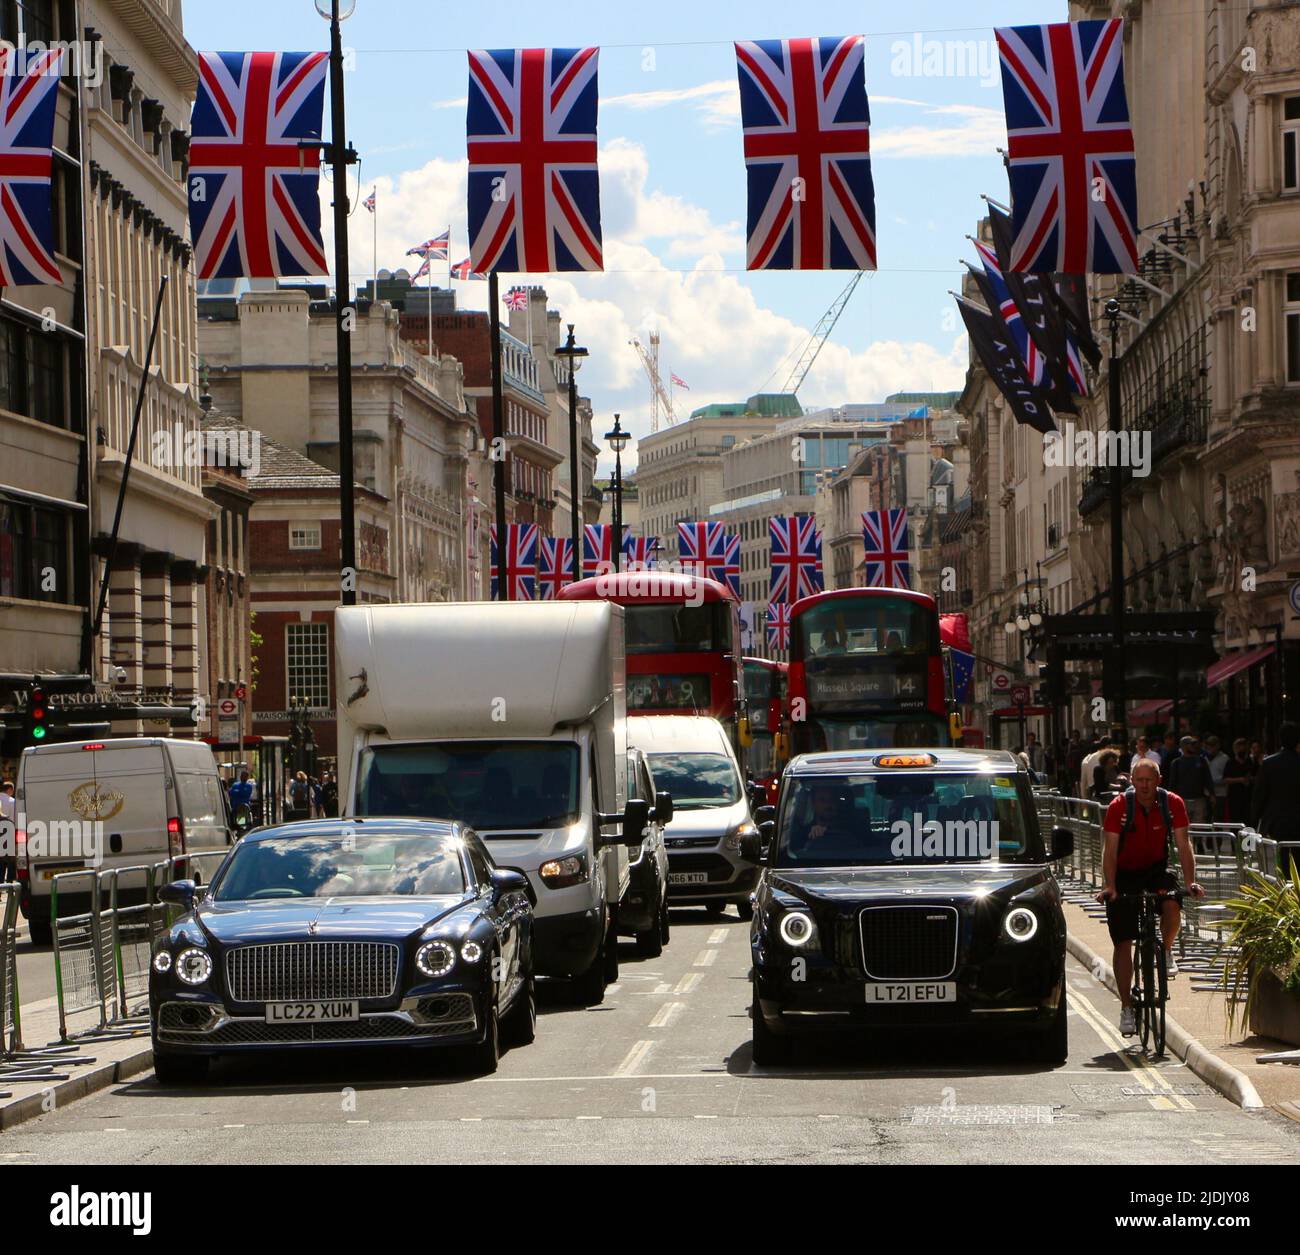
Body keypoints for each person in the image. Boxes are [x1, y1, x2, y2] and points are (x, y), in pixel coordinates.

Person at [1098, 759, 1204, 1036]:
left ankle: (1166, 950)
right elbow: (1109, 850)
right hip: (1124, 873)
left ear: (1159, 780)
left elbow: (1183, 844)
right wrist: (1110, 886)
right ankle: (1126, 1008)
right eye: (1140, 780)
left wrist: (1191, 881)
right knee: (1123, 942)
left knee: (1171, 903)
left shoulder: (1173, 804)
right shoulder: (1119, 807)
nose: (1145, 785)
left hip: (1156, 870)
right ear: (1132, 780)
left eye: (1150, 780)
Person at [1250, 722, 1300, 847]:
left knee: (1281, 857)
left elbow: (1260, 795)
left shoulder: (1269, 763)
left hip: (1277, 821)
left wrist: (1255, 820)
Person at [1165, 735, 1215, 824]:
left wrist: (1212, 794)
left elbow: (1208, 778)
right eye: (1191, 744)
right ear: (1183, 746)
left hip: (1199, 799)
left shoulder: (1201, 760)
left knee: (1199, 827)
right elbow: (1172, 783)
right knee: (1183, 825)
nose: (1194, 746)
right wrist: (1171, 800)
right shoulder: (1176, 763)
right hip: (1182, 800)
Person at [1221, 738, 1255, 824]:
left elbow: (1257, 777)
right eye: (1239, 747)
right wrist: (1240, 780)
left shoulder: (1251, 762)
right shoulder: (1230, 762)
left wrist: (1250, 779)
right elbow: (1225, 780)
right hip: (1234, 797)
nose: (1241, 749)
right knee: (1234, 823)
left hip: (1248, 798)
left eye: (1243, 747)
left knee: (1248, 823)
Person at [1203, 736, 1229, 818]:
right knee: (1206, 817)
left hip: (1220, 793)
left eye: (1213, 745)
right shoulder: (1203, 758)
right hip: (1206, 793)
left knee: (1218, 818)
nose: (1211, 747)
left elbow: (1227, 777)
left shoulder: (1225, 758)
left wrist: (1213, 782)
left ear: (1218, 746)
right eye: (1209, 745)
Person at [0, 780, 16, 884]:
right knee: (10, 861)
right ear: (10, 790)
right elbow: (14, 819)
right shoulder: (12, 801)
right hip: (8, 833)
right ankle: (10, 885)